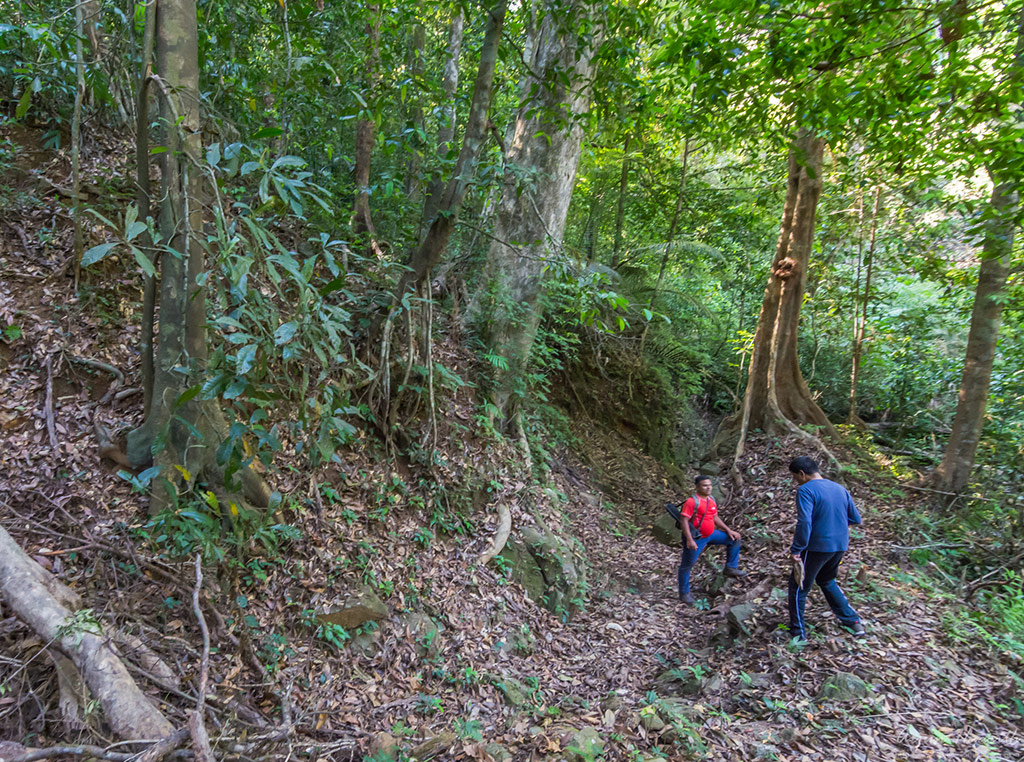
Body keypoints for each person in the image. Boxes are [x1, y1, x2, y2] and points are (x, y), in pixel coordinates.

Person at [787, 456, 866, 640]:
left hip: (816, 547)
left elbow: (804, 522)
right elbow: (855, 519)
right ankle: (853, 622)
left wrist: (797, 549)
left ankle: (798, 635)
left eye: (795, 477)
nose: (796, 481)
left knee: (798, 588)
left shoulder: (806, 490)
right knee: (827, 580)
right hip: (839, 545)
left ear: (802, 474)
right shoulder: (839, 488)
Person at [677, 475, 746, 605]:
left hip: (711, 534)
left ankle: (731, 567)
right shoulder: (692, 502)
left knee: (734, 539)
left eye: (710, 485)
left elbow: (714, 517)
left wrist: (728, 530)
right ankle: (684, 593)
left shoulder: (711, 499)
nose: (708, 487)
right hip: (697, 538)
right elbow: (684, 521)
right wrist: (689, 540)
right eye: (704, 485)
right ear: (697, 487)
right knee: (687, 566)